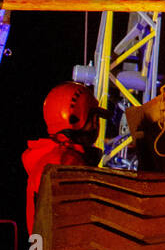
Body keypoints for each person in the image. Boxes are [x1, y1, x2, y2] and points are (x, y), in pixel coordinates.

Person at [21, 82, 105, 233]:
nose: (96, 124)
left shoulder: (47, 160)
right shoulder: (67, 163)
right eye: (94, 117)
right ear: (80, 117)